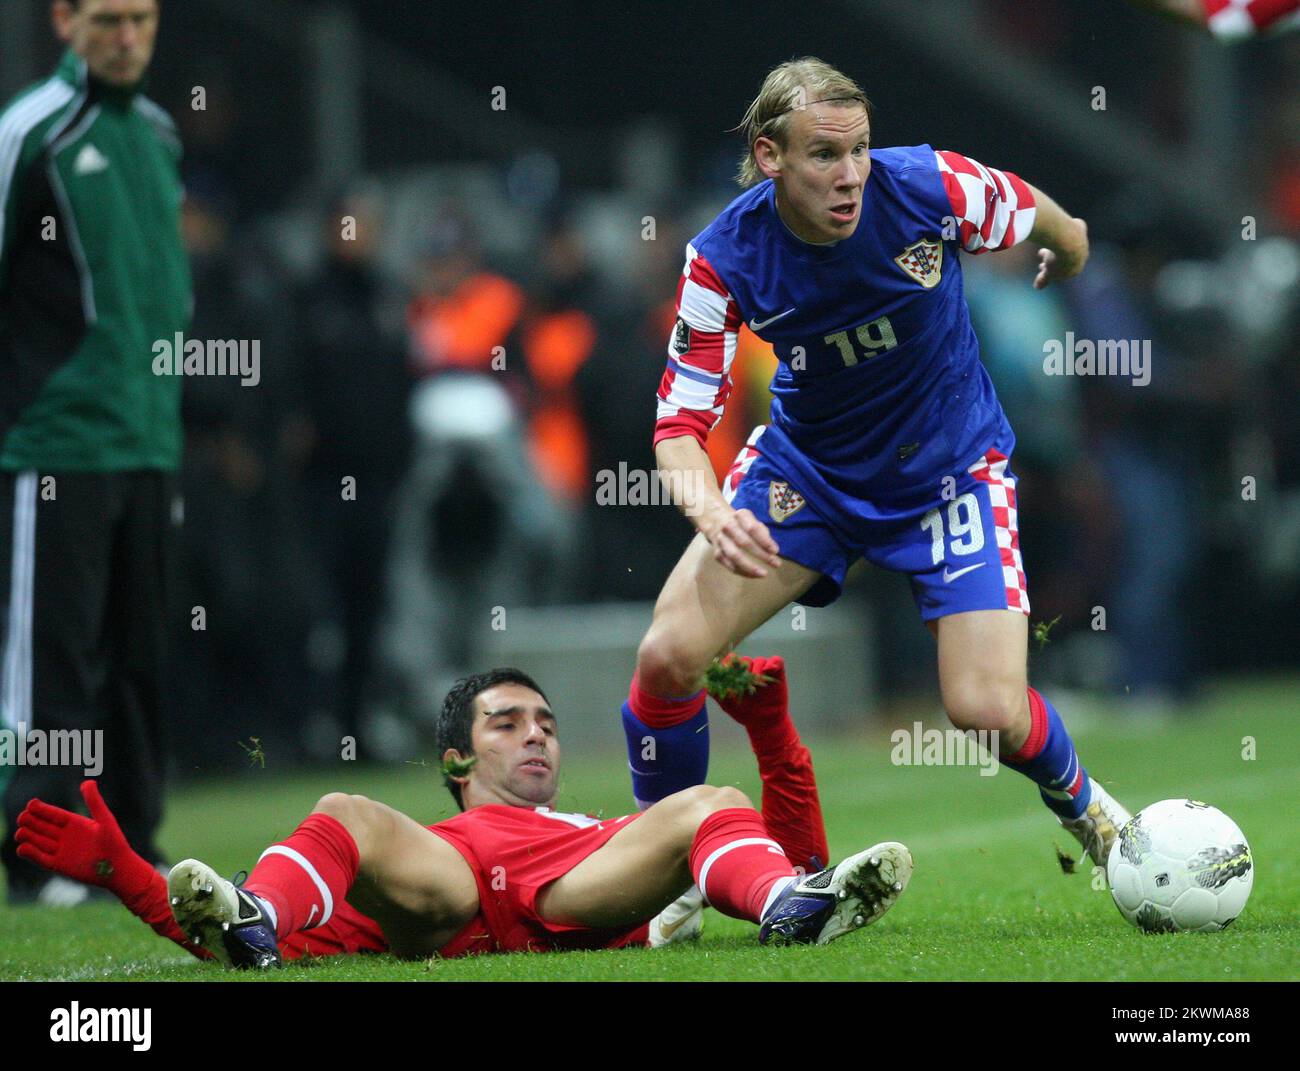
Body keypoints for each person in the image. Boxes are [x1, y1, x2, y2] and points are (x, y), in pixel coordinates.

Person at [621, 57, 1131, 877]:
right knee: (668, 655)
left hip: (950, 473)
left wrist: (1069, 250)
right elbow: (677, 426)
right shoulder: (724, 257)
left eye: (859, 150)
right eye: (824, 155)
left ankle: (1091, 809)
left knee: (984, 707)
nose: (850, 174)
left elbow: (1040, 213)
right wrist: (710, 510)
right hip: (810, 477)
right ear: (769, 156)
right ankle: (654, 873)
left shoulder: (929, 184)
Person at [14, 661, 913, 967]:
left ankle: (783, 918)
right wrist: (123, 873)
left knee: (712, 802)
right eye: (507, 722)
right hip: (454, 901)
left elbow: (794, 855)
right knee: (344, 809)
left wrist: (771, 734)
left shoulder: (600, 831)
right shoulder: (419, 850)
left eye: (549, 725)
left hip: (572, 894)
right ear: (455, 758)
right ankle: (263, 907)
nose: (537, 737)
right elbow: (225, 940)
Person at [0, 0, 188, 904]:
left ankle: (132, 847)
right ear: (64, 18)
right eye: (108, 19)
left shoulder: (157, 133)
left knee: (142, 658)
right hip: (57, 443)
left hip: (149, 440)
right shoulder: (28, 131)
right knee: (53, 665)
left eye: (142, 20)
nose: (127, 37)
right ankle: (40, 859)